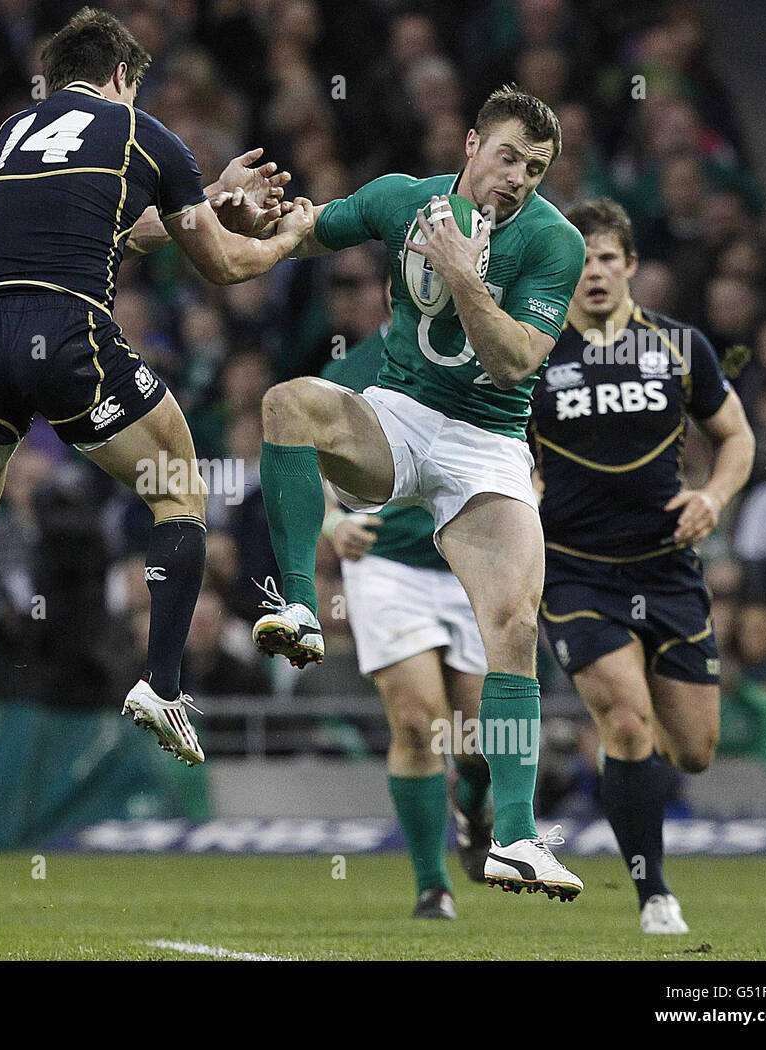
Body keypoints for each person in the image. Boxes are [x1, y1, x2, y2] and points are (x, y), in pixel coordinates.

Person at [0, 7, 314, 770]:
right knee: (179, 487)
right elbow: (226, 267)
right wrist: (290, 236)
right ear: (120, 76)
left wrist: (206, 200)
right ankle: (162, 684)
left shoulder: (10, 135)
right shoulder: (144, 132)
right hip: (70, 333)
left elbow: (109, 228)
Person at [251, 85, 586, 899]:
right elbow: (313, 227)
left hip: (488, 445)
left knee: (513, 623)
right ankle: (298, 606)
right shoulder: (405, 199)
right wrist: (258, 224)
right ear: (471, 144)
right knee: (287, 404)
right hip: (400, 416)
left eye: (535, 168)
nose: (517, 178)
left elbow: (513, 362)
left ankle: (514, 837)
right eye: (507, 155)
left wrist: (464, 278)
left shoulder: (554, 243)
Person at [530, 198, 753, 933]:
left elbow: (736, 436)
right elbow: (504, 448)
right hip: (575, 571)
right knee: (626, 724)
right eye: (581, 259)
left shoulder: (680, 347)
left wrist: (714, 498)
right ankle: (653, 892)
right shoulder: (533, 354)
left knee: (691, 751)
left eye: (607, 258)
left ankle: (631, 784)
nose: (593, 272)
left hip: (667, 570)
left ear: (630, 267)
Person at [319, 265, 491, 919]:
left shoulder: (483, 355)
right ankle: (431, 886)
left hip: (471, 564)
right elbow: (302, 467)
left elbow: (524, 443)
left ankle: (472, 804)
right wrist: (336, 523)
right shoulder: (350, 373)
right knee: (417, 720)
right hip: (389, 565)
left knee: (481, 743)